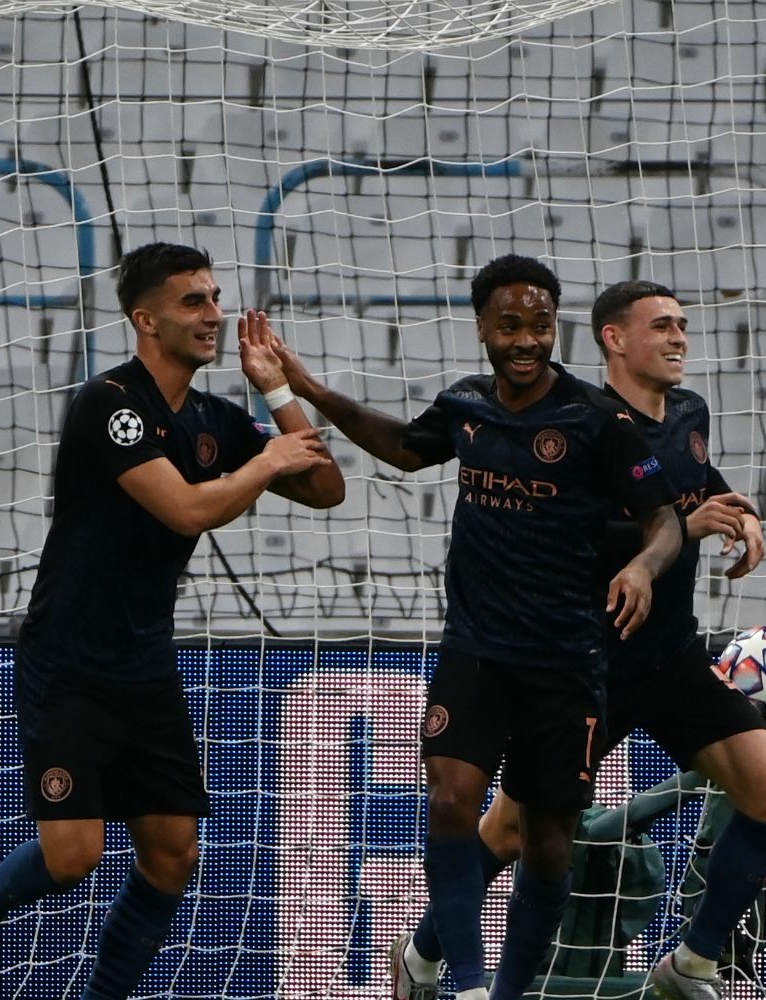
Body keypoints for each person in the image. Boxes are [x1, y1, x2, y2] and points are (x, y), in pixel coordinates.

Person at [0, 242, 345, 1000]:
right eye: (195, 301)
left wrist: (278, 391)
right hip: (71, 658)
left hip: (145, 663)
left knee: (172, 852)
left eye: (217, 297)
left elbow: (325, 488)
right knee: (73, 856)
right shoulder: (109, 404)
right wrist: (261, 464)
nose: (215, 314)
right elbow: (187, 509)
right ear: (143, 318)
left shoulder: (218, 417)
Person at [272, 255, 683, 1000]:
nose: (527, 340)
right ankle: (463, 981)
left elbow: (665, 519)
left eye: (541, 325)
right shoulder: (466, 405)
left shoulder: (598, 420)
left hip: (565, 659)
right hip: (476, 649)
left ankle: (507, 992)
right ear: (483, 329)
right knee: (452, 799)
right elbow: (402, 448)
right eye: (511, 325)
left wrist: (644, 568)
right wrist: (307, 389)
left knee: (546, 839)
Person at [388, 280, 766, 1000]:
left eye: (682, 325)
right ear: (615, 339)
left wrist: (740, 516)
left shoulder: (689, 412)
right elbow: (577, 534)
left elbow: (696, 487)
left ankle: (693, 963)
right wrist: (678, 530)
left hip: (670, 658)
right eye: (662, 326)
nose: (679, 339)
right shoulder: (581, 418)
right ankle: (422, 954)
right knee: (512, 834)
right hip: (587, 662)